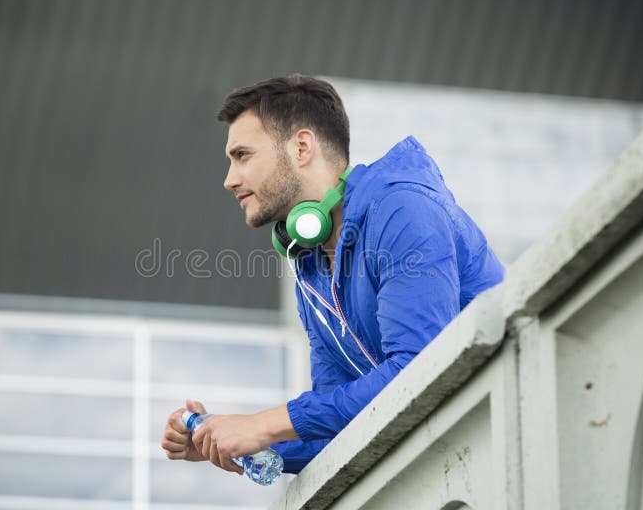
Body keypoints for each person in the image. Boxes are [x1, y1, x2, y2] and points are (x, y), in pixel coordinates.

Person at [161, 75, 504, 476]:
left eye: (242, 155)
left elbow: (420, 369)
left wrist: (265, 425)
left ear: (301, 147)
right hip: (457, 461)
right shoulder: (310, 269)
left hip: (507, 434)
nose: (229, 179)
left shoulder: (402, 210)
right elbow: (334, 426)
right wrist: (236, 444)